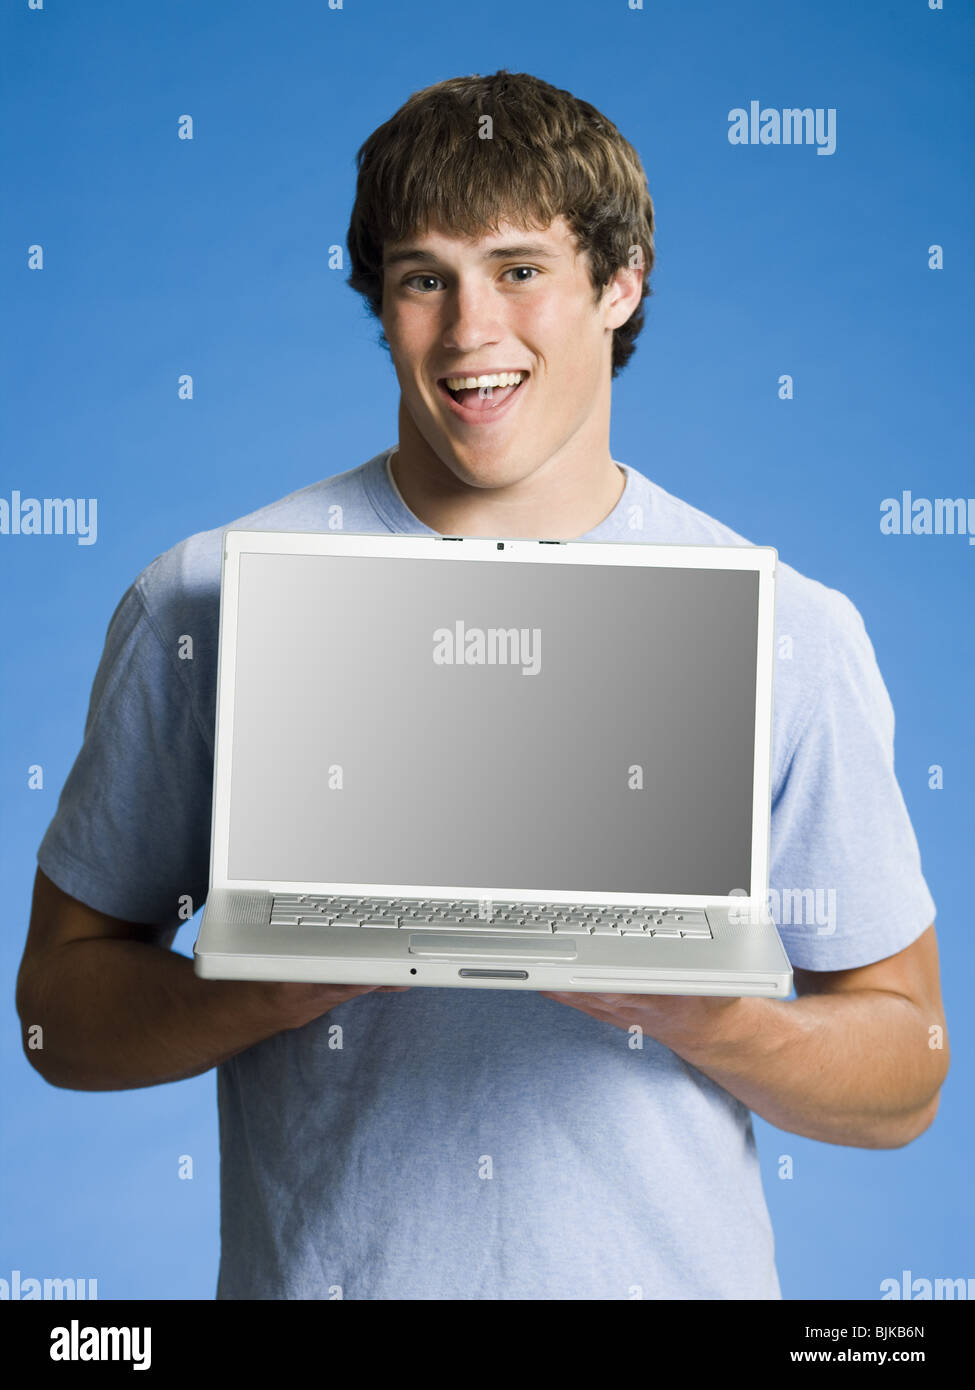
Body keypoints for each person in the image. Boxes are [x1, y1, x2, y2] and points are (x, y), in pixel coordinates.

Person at [17, 70, 948, 1300]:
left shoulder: (788, 630)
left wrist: (702, 1013)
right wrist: (264, 987)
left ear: (619, 284)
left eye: (519, 269)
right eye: (423, 278)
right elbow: (56, 1018)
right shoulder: (206, 598)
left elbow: (907, 1073)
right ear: (382, 302)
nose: (470, 333)